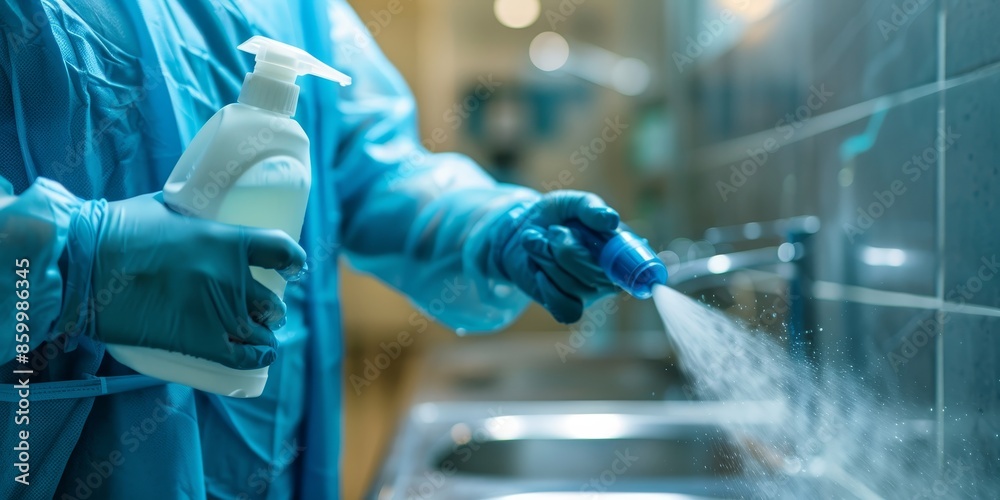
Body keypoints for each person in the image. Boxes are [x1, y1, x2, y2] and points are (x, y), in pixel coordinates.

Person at [0, 1, 623, 498]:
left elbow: (375, 170)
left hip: (269, 458)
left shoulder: (301, 12)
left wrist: (495, 228)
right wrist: (67, 263)